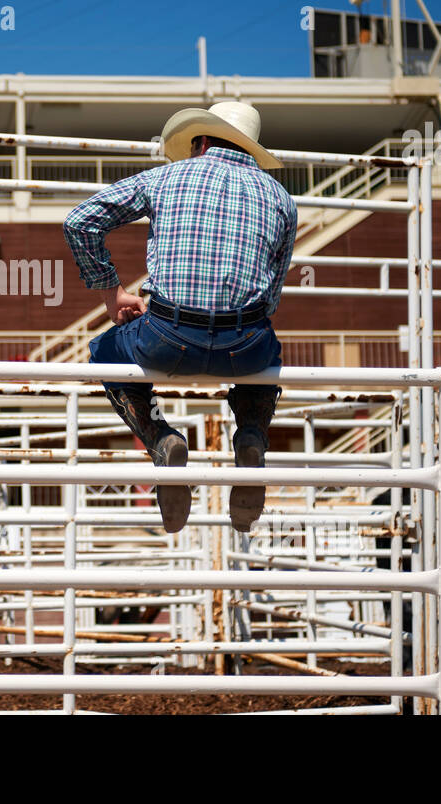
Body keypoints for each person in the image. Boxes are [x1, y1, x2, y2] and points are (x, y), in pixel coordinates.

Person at [63, 101, 297, 533]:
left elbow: (81, 221)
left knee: (105, 350)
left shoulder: (167, 178)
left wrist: (114, 294)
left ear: (202, 141)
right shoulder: (282, 200)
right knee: (269, 348)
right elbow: (271, 299)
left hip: (167, 337)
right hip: (243, 349)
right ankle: (250, 435)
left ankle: (160, 437)